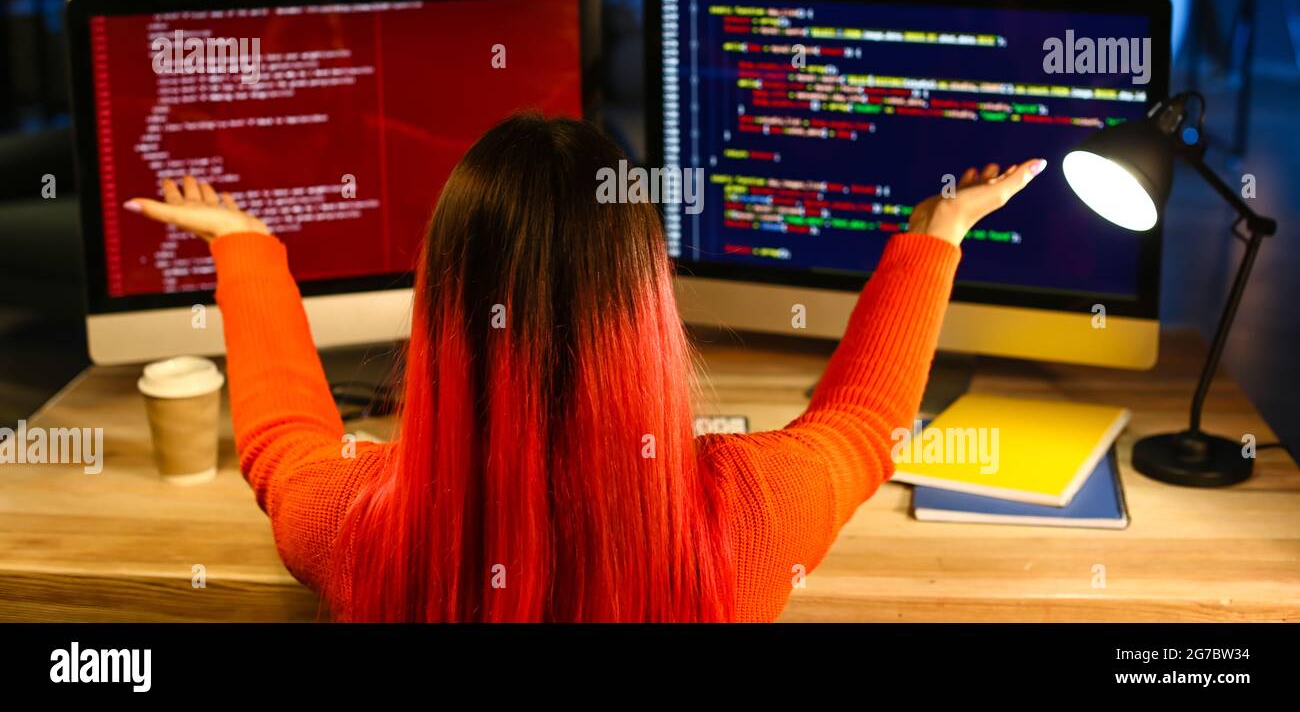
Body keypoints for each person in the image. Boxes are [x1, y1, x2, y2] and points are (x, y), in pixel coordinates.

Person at [125, 113, 1044, 621]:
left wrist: (246, 249)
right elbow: (862, 427)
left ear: (443, 306)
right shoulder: (753, 515)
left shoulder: (354, 529)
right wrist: (937, 236)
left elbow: (284, 445)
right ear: (647, 303)